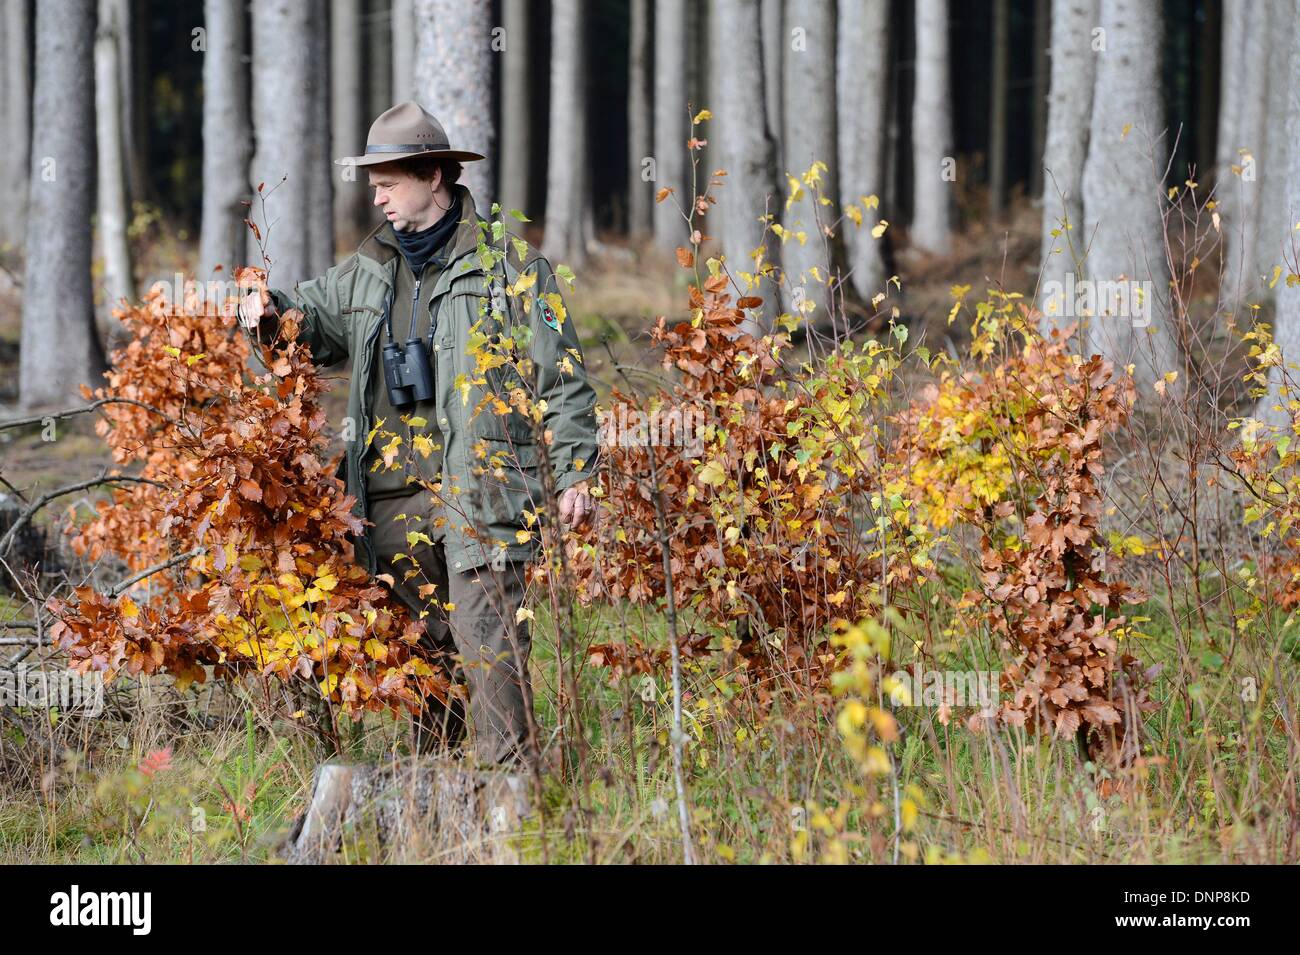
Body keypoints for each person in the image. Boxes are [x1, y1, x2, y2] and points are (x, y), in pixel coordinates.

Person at [238, 102, 599, 767]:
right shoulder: (368, 269)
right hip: (390, 509)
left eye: (389, 180)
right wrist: (268, 313)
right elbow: (306, 326)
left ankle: (510, 811)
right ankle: (432, 807)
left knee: (491, 656)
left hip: (482, 500)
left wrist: (576, 471)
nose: (376, 195)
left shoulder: (513, 268)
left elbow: (566, 379)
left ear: (434, 174)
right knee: (424, 674)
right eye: (373, 182)